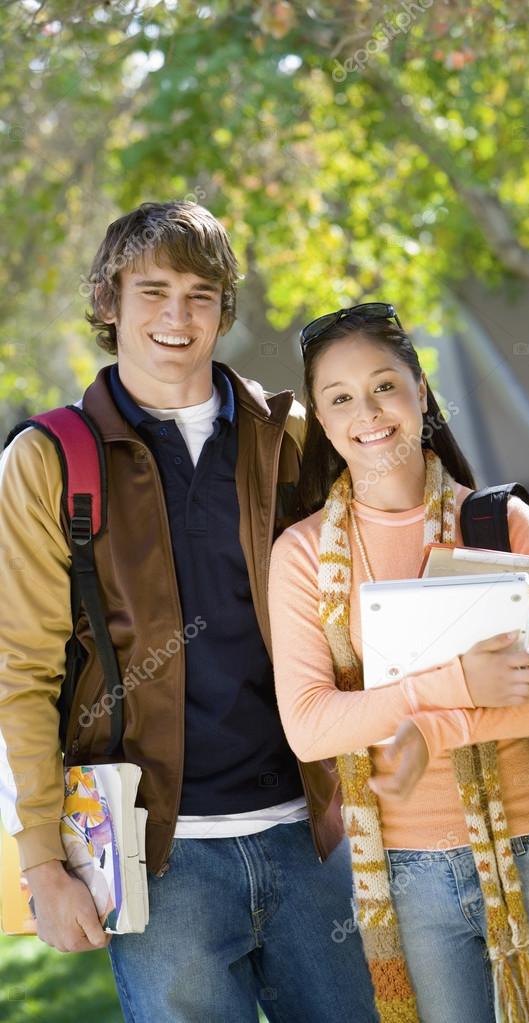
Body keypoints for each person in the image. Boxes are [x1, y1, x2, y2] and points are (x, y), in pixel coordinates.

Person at [0, 203, 379, 1023]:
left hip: (311, 834)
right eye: (154, 290)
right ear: (108, 300)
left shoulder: (292, 438)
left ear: (225, 309)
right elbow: (21, 673)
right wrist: (41, 864)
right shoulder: (48, 461)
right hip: (156, 862)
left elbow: (364, 595)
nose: (179, 316)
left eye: (201, 294)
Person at [268, 304, 529, 1023]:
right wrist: (455, 684)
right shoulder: (299, 555)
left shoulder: (498, 520)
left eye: (385, 385)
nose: (368, 412)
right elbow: (309, 724)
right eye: (340, 398)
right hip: (406, 877)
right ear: (323, 424)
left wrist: (434, 730)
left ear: (421, 392)